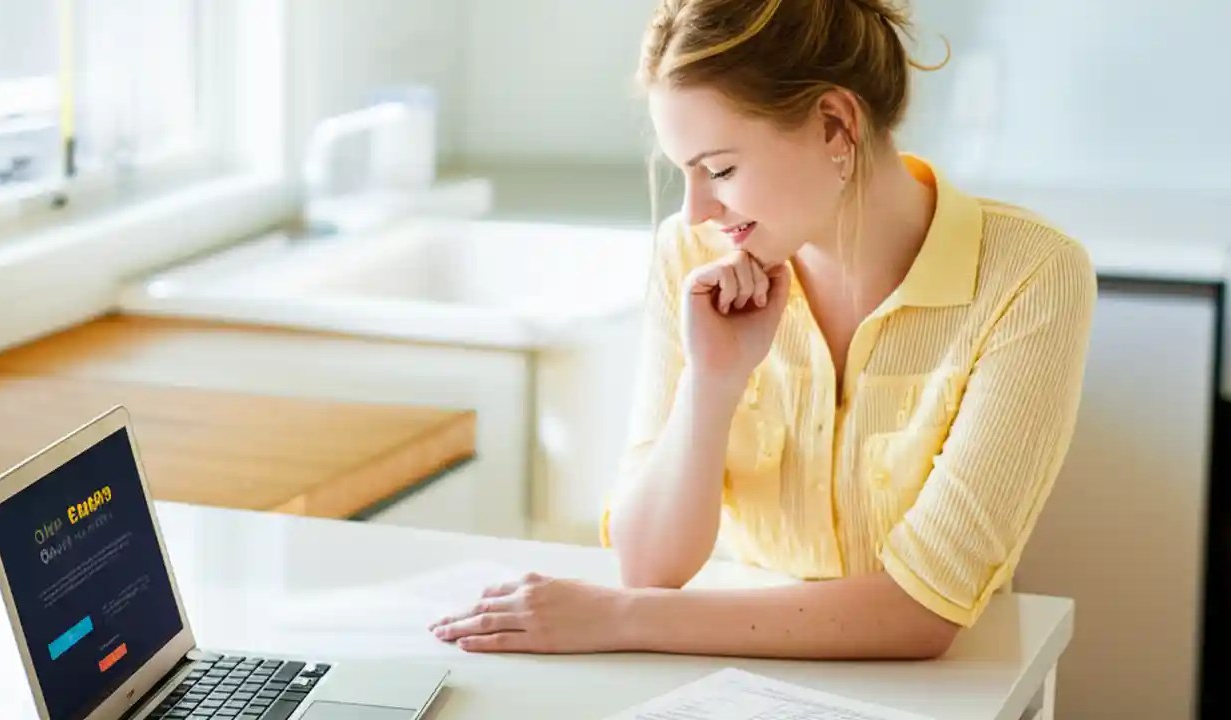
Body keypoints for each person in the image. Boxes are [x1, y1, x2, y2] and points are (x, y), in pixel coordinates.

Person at [428, 0, 1096, 659]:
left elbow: (922, 609)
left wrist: (619, 619)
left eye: (719, 170)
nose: (695, 211)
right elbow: (649, 565)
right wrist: (712, 382)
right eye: (685, 173)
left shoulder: (1031, 274)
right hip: (725, 677)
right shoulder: (694, 257)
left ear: (835, 125)